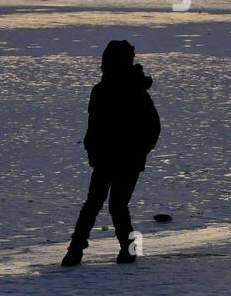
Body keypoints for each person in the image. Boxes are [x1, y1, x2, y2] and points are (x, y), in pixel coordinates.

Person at [62, 40, 161, 267]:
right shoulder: (101, 90)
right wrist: (92, 148)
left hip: (127, 159)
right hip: (105, 158)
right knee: (96, 203)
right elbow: (93, 126)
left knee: (115, 205)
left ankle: (126, 250)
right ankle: (75, 250)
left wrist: (139, 151)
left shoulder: (136, 93)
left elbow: (152, 127)